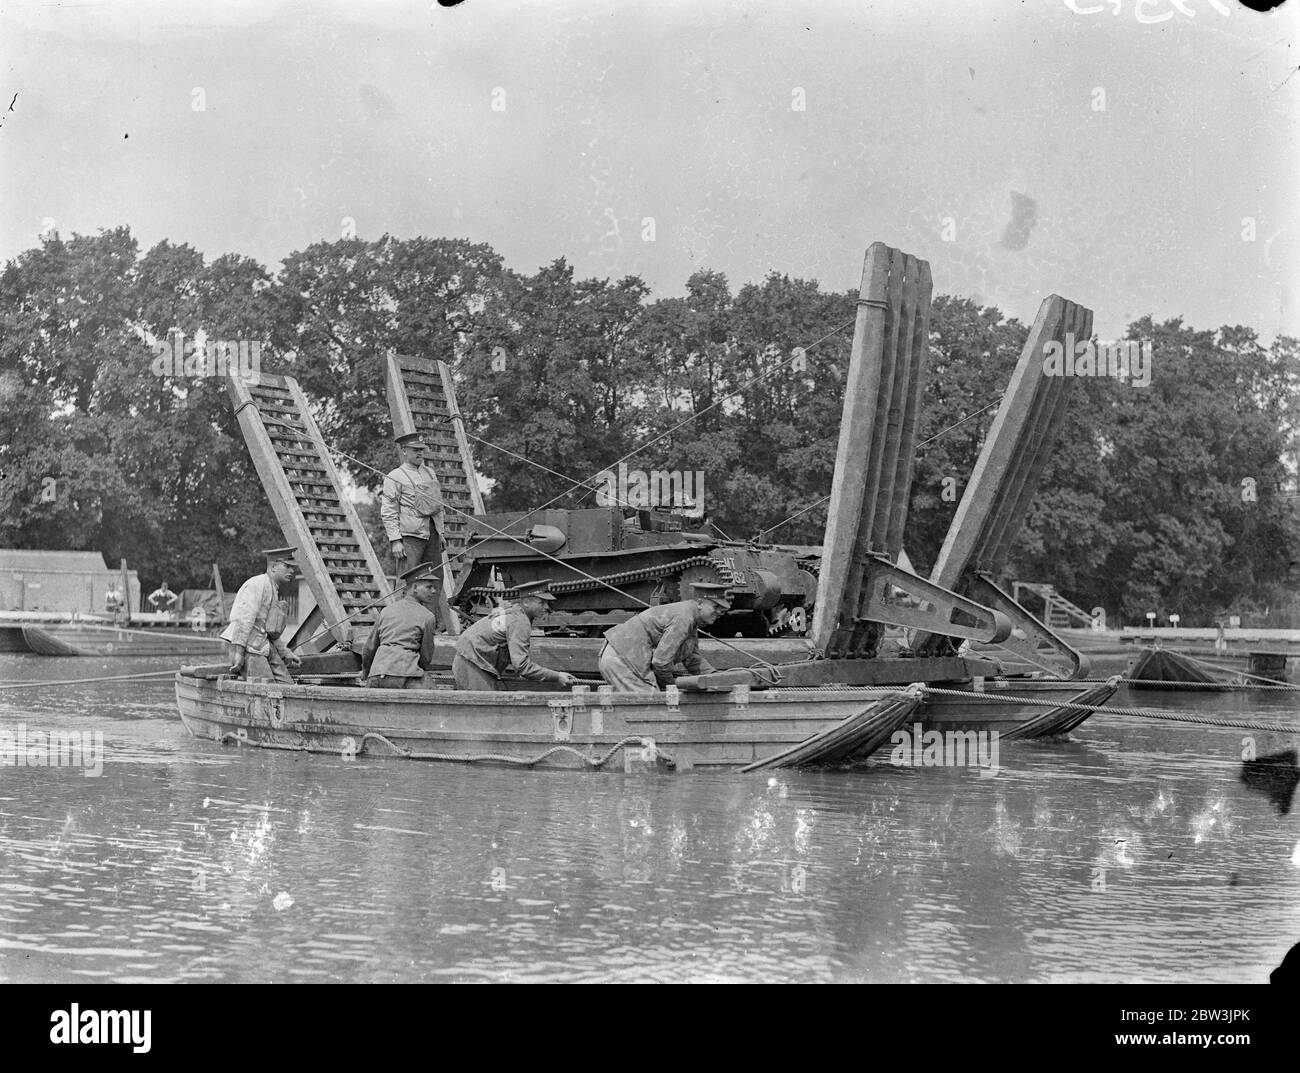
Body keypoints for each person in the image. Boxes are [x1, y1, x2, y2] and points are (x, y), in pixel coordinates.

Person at [599, 582, 733, 692]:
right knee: (650, 707)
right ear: (699, 603)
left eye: (721, 609)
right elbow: (660, 662)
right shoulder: (684, 618)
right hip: (623, 660)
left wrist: (714, 676)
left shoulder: (689, 617)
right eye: (715, 606)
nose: (719, 612)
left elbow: (691, 657)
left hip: (621, 656)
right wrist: (671, 687)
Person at [452, 580, 579, 691]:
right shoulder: (520, 622)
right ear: (527, 602)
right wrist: (557, 676)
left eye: (547, 602)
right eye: (542, 602)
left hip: (470, 659)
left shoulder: (516, 611)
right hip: (472, 663)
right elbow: (522, 667)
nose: (547, 607)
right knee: (486, 712)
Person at [220, 547, 299, 682]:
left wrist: (285, 653)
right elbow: (243, 621)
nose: (292, 571)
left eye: (292, 567)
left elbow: (269, 629)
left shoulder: (273, 588)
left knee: (287, 685)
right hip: (247, 648)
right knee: (266, 688)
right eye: (287, 566)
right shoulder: (257, 585)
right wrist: (239, 654)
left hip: (262, 646)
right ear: (273, 566)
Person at [360, 561, 441, 689]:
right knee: (436, 699)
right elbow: (425, 658)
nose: (434, 591)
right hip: (406, 675)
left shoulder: (386, 611)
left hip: (376, 674)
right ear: (414, 588)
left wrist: (366, 673)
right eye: (429, 587)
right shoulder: (427, 616)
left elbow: (369, 649)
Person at [381, 432, 447, 581]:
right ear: (404, 451)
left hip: (433, 534)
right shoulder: (395, 476)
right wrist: (395, 540)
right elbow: (388, 511)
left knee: (435, 579)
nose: (420, 453)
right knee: (407, 580)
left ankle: (431, 606)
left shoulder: (430, 473)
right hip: (410, 536)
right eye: (415, 450)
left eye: (421, 450)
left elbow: (437, 506)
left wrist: (441, 533)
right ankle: (401, 605)